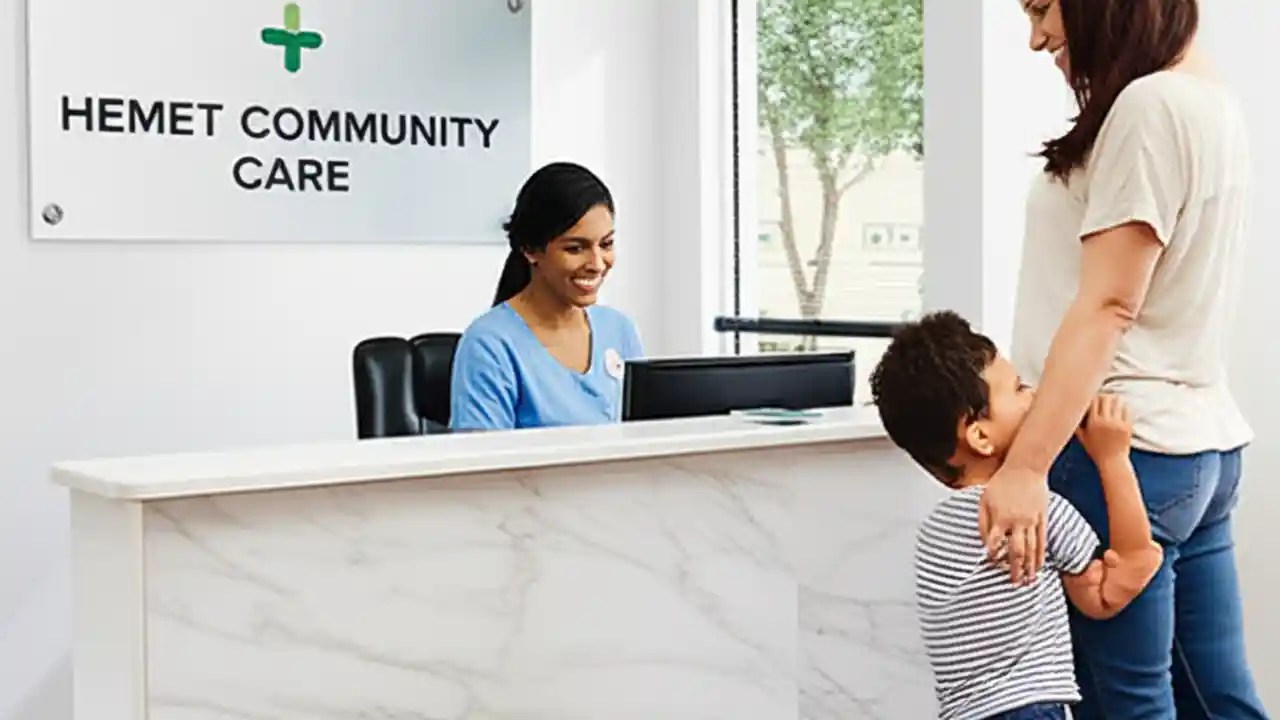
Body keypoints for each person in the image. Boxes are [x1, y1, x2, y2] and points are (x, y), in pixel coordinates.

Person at [980, 0, 1268, 715]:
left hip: (1121, 446)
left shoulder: (1151, 105)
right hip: (1197, 445)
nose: (1036, 37)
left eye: (1043, 8)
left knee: (1128, 703)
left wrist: (1024, 468)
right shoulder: (1209, 99)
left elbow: (1111, 304)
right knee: (1220, 703)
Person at [870, 311, 1162, 720]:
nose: (1037, 396)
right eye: (1020, 388)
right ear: (980, 436)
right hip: (1029, 710)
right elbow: (1105, 595)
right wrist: (1113, 459)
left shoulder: (932, 536)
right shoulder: (1033, 512)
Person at [449, 161, 643, 430]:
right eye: (576, 248)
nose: (597, 263)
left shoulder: (619, 329)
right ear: (530, 249)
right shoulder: (490, 344)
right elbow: (483, 466)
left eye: (606, 244)